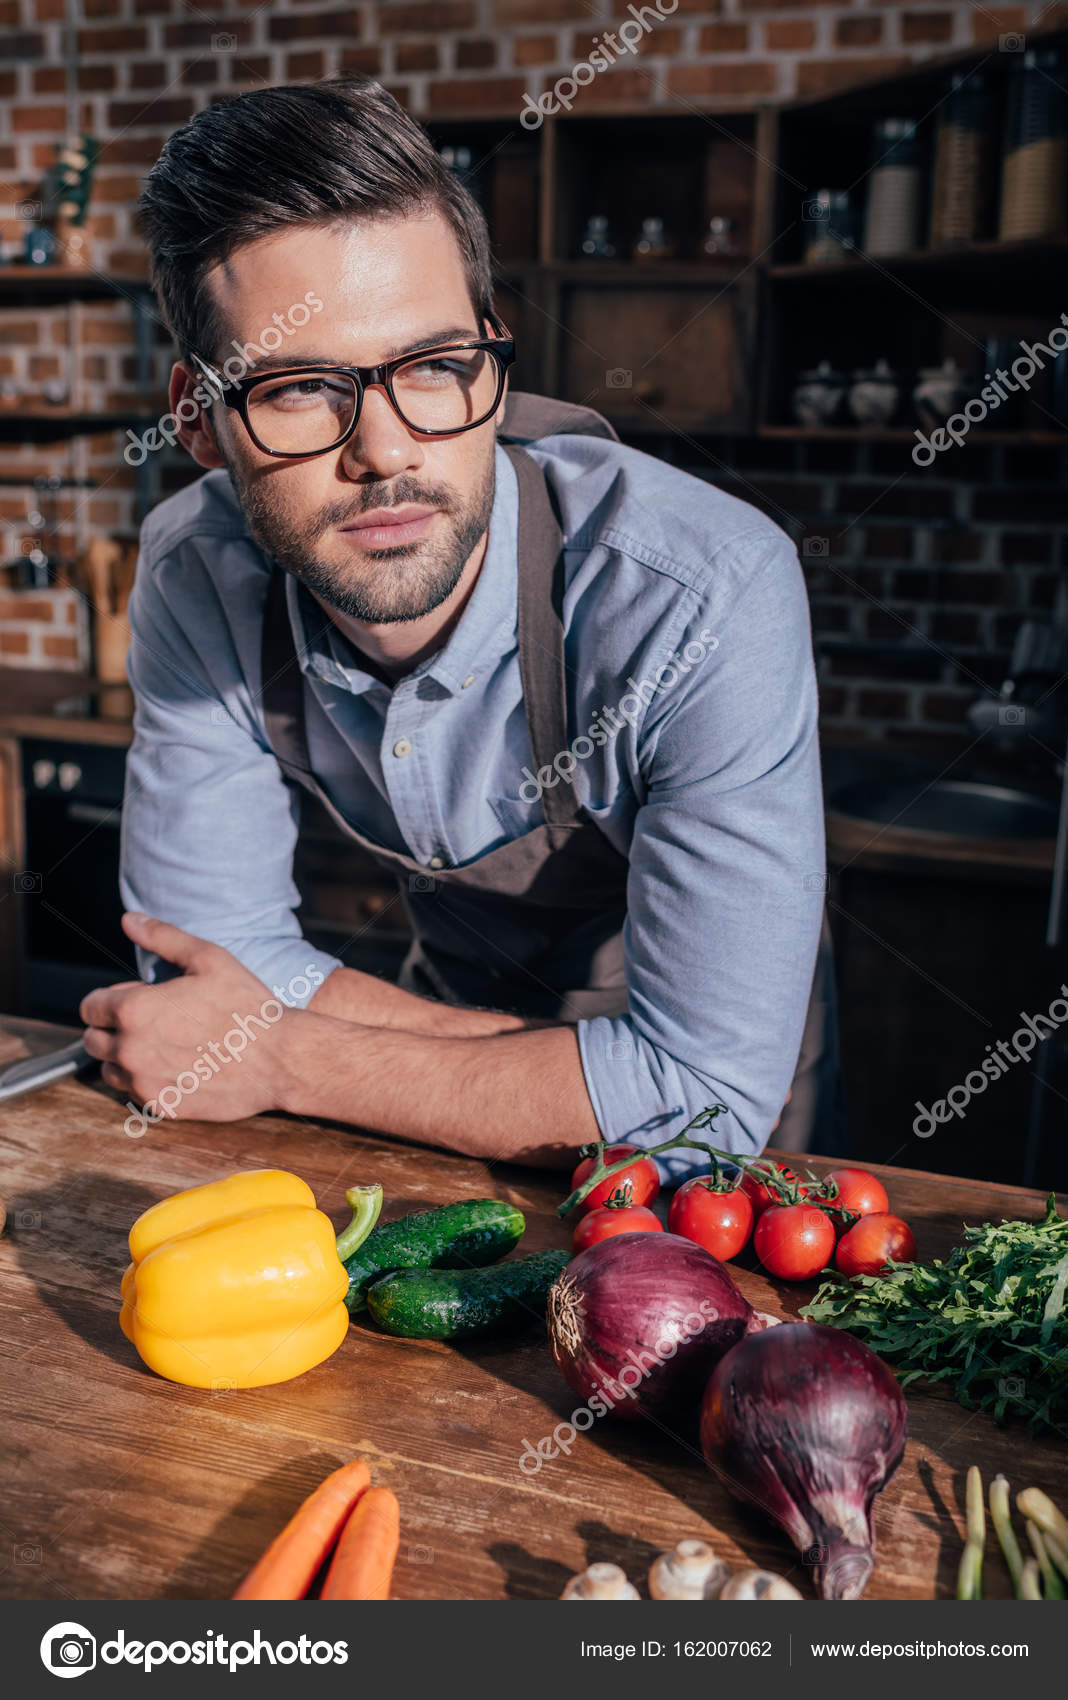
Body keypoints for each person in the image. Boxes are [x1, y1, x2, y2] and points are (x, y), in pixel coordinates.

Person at [80, 77, 836, 1174]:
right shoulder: (199, 572)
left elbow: (708, 1107)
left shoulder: (703, 591)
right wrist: (612, 1075)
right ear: (200, 421)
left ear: (490, 349)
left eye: (435, 368)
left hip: (718, 1174)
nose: (385, 451)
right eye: (299, 387)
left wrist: (291, 1053)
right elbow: (208, 970)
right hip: (428, 1124)